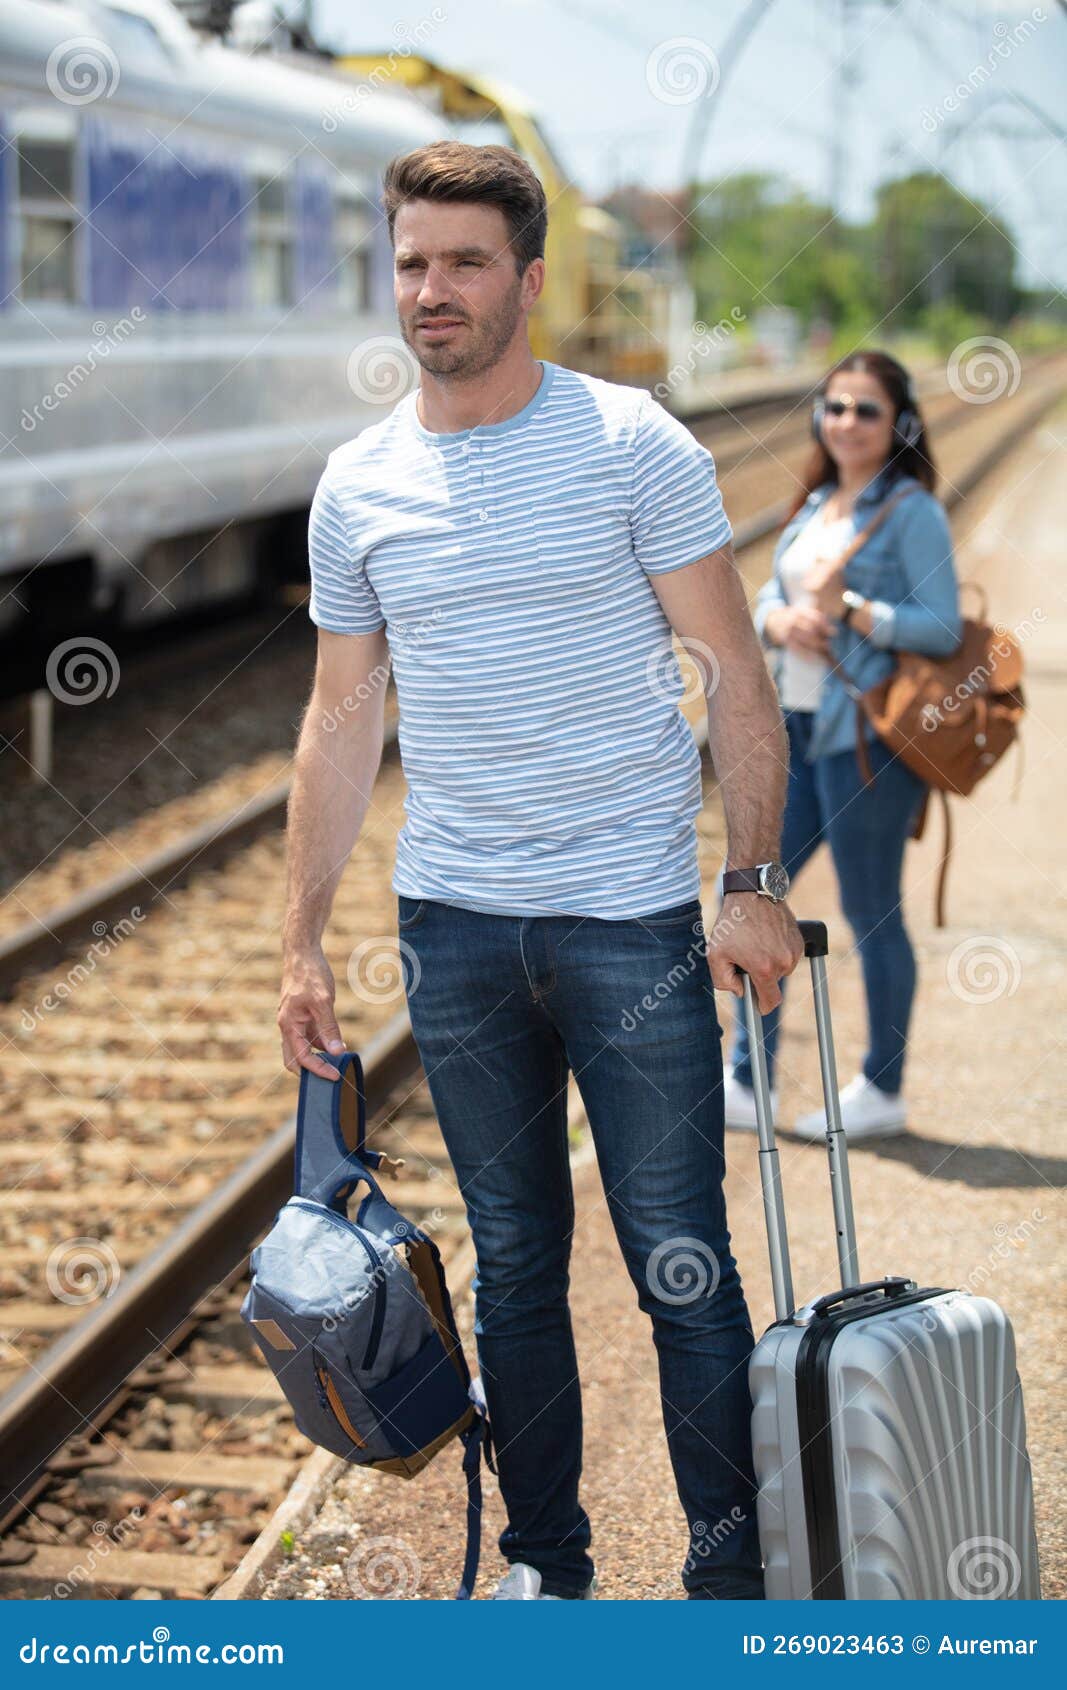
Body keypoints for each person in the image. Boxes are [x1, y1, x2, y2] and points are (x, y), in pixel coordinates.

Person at [277, 139, 804, 1601]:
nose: (426, 289)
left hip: (629, 923)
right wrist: (302, 941)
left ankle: (725, 1572)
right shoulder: (357, 482)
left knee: (677, 1263)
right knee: (511, 1266)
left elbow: (737, 685)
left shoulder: (632, 442)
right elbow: (336, 718)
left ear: (526, 276)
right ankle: (544, 1562)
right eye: (407, 262)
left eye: (458, 261)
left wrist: (746, 879)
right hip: (451, 928)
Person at [723, 351, 962, 1142]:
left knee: (870, 915)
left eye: (865, 409)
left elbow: (942, 625)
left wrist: (854, 608)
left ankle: (882, 1090)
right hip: (794, 736)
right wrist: (775, 620)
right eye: (834, 406)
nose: (845, 422)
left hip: (864, 743)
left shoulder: (909, 510)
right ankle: (747, 1081)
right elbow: (767, 592)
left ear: (897, 423)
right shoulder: (820, 498)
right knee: (757, 897)